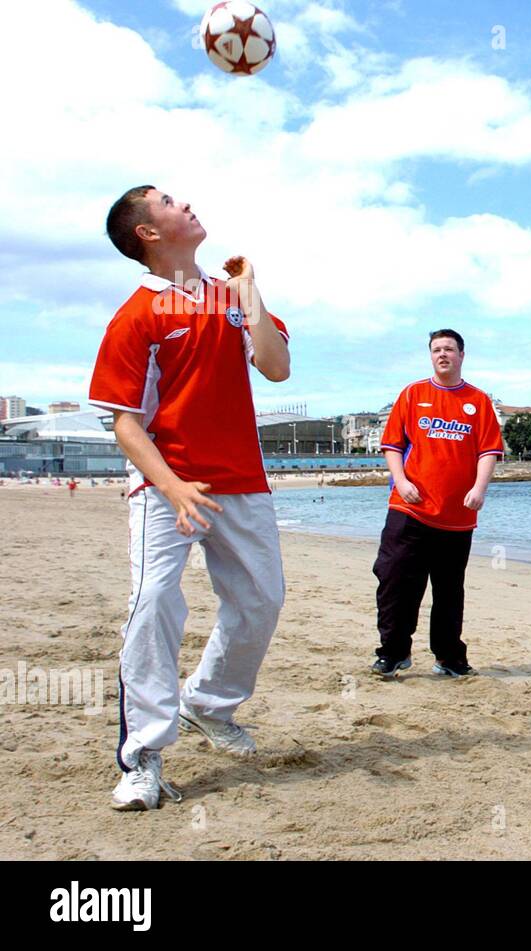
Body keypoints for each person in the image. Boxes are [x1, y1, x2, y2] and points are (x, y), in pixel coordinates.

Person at [89, 185, 291, 811]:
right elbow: (123, 421)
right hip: (164, 486)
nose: (186, 204)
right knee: (153, 605)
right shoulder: (135, 315)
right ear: (147, 233)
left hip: (242, 481)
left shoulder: (233, 296)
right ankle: (143, 757)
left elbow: (277, 367)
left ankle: (208, 703)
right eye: (169, 201)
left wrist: (251, 292)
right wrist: (171, 486)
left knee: (260, 601)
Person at [370, 329, 504, 679]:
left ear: (462, 355)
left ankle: (449, 657)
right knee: (395, 580)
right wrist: (401, 481)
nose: (442, 354)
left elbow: (489, 450)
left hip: (457, 515)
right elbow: (393, 446)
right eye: (436, 349)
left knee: (448, 590)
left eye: (448, 349)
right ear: (430, 356)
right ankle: (393, 653)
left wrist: (479, 489)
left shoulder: (478, 400)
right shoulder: (413, 394)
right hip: (409, 507)